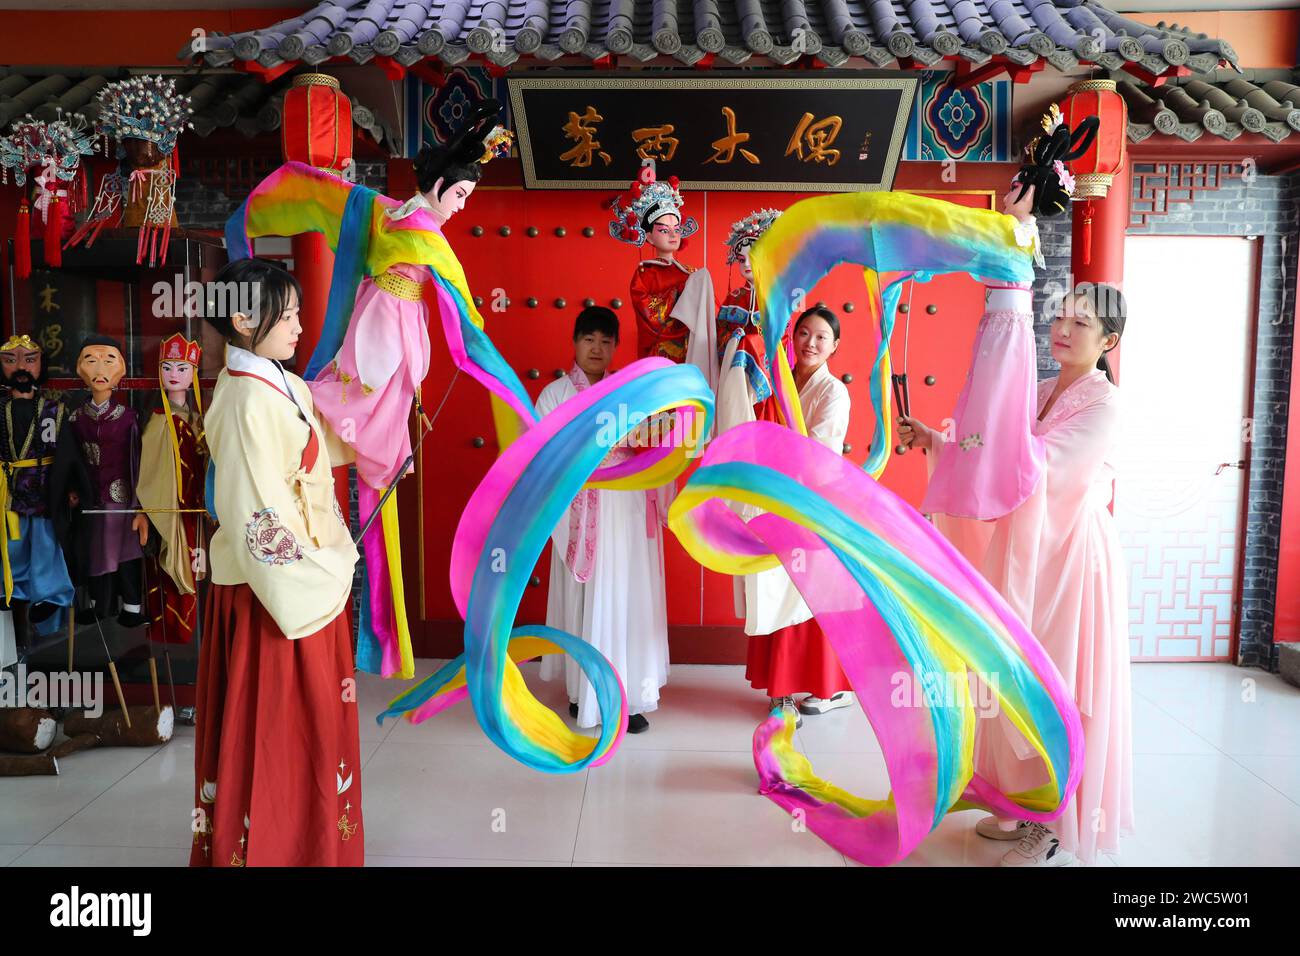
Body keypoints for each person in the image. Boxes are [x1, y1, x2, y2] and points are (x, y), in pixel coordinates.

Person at [898, 244, 1133, 863]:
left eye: (1082, 322)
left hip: (1070, 558)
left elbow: (1042, 471)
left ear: (1108, 341)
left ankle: (1053, 822)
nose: (1063, 328)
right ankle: (1023, 801)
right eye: (1061, 316)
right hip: (1026, 548)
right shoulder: (1047, 387)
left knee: (1055, 676)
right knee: (1009, 674)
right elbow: (994, 454)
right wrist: (939, 445)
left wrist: (990, 440)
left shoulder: (1105, 403)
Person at [191, 258, 362, 866]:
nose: (297, 325)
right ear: (242, 319)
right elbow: (255, 513)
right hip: (279, 595)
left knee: (306, 735)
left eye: (294, 312)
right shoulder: (243, 399)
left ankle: (308, 847)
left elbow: (319, 440)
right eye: (284, 314)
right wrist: (321, 577)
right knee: (279, 733)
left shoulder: (274, 381)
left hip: (308, 576)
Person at [537, 307, 669, 735]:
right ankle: (583, 692)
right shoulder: (554, 395)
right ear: (574, 342)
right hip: (581, 508)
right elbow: (544, 454)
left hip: (625, 509)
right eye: (589, 339)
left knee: (626, 596)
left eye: (606, 341)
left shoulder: (629, 391)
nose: (597, 348)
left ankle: (628, 695)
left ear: (615, 347)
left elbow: (655, 440)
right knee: (586, 599)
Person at [744, 306, 853, 723]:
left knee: (808, 600)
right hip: (775, 500)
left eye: (821, 337)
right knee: (776, 592)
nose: (810, 343)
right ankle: (783, 688)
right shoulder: (776, 382)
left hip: (811, 505)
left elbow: (820, 453)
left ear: (834, 346)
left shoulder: (833, 392)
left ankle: (828, 689)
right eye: (803, 333)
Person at [0, 335, 74, 637]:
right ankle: (8, 587)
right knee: (9, 545)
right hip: (6, 492)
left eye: (29, 359)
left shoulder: (54, 410)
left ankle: (49, 598)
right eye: (10, 360)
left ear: (41, 365)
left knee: (45, 546)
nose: (20, 366)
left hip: (43, 488)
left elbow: (69, 454)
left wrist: (70, 487)